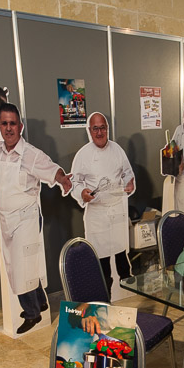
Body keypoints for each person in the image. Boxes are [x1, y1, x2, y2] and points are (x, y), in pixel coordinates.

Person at [0, 103, 73, 334]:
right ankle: (40, 301)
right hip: (7, 220)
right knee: (17, 266)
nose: (9, 128)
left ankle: (31, 313)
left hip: (26, 218)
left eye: (13, 123)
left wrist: (63, 180)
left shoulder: (31, 154)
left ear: (20, 126)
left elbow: (52, 169)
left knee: (23, 268)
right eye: (4, 123)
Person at [70, 112, 136, 295]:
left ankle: (127, 289)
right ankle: (104, 295)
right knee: (102, 258)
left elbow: (128, 172)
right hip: (97, 214)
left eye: (103, 128)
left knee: (122, 253)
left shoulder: (117, 150)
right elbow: (75, 182)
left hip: (117, 209)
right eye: (95, 128)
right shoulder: (83, 155)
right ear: (89, 131)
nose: (99, 132)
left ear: (107, 129)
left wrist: (130, 182)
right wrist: (81, 193)